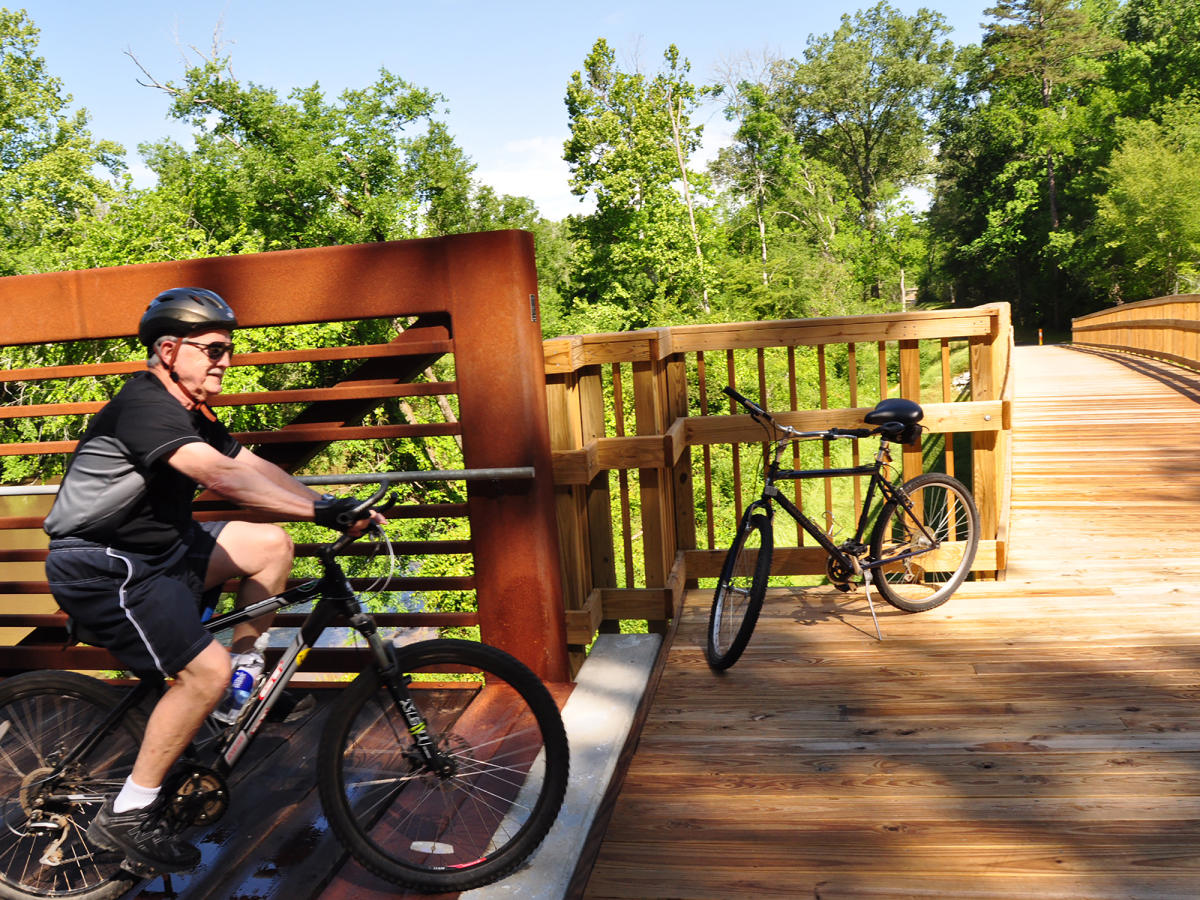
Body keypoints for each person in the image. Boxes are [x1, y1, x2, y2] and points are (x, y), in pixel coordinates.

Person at [42, 287, 380, 874]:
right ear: (170, 350)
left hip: (158, 553)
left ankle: (240, 691)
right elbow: (219, 475)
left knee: (271, 544)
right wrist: (320, 513)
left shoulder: (190, 411)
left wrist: (327, 503)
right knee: (204, 671)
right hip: (104, 565)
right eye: (214, 348)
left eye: (231, 348)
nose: (227, 359)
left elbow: (251, 464)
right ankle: (130, 810)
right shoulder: (145, 406)